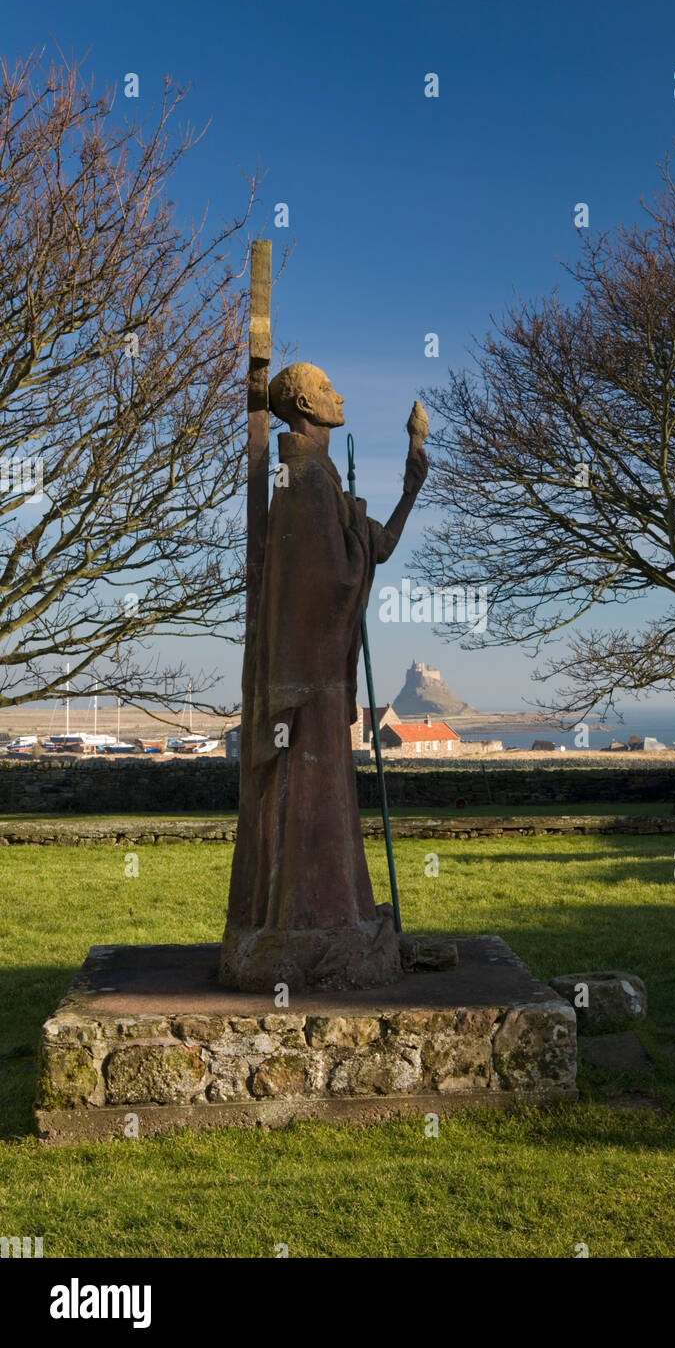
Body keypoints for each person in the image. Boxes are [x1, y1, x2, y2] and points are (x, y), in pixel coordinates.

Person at [220, 363, 427, 991]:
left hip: (315, 680)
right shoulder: (304, 478)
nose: (341, 395)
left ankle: (330, 917)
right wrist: (353, 541)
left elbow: (376, 547)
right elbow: (330, 580)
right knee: (310, 805)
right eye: (330, 387)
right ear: (306, 402)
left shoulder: (317, 477)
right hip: (307, 684)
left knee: (327, 805)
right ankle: (309, 925)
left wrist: (411, 486)